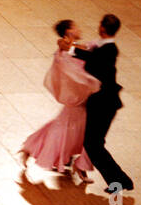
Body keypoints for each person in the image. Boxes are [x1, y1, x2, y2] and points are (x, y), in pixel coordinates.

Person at [19, 20, 103, 182]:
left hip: (80, 100)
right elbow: (76, 74)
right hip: (77, 100)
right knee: (69, 131)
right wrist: (92, 85)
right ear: (69, 31)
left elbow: (88, 51)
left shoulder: (73, 47)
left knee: (72, 131)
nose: (79, 28)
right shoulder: (65, 52)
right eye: (76, 26)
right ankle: (78, 166)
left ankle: (31, 149)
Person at [72, 14, 132, 193]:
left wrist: (71, 51)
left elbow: (92, 63)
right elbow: (91, 55)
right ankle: (120, 181)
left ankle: (120, 182)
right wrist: (74, 49)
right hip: (103, 103)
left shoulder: (108, 50)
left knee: (93, 144)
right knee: (94, 144)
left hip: (104, 105)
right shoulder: (104, 46)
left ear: (103, 28)